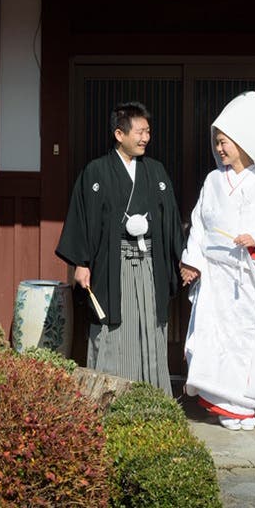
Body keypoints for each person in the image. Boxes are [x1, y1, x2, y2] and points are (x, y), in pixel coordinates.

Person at [179, 91, 255, 430]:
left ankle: (243, 404)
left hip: (246, 278)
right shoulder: (213, 181)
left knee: (246, 340)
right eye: (216, 142)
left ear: (245, 142)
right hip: (216, 276)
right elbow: (199, 223)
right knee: (215, 337)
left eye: (225, 141)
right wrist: (192, 261)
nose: (219, 148)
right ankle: (222, 403)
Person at [55, 101, 184, 394]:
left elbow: (171, 219)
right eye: (139, 132)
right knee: (114, 328)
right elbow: (83, 218)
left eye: (147, 132)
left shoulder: (156, 171)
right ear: (119, 134)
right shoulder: (96, 172)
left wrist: (183, 260)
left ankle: (153, 398)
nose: (145, 138)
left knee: (151, 326)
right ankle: (111, 397)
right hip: (114, 265)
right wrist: (82, 262)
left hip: (150, 264)